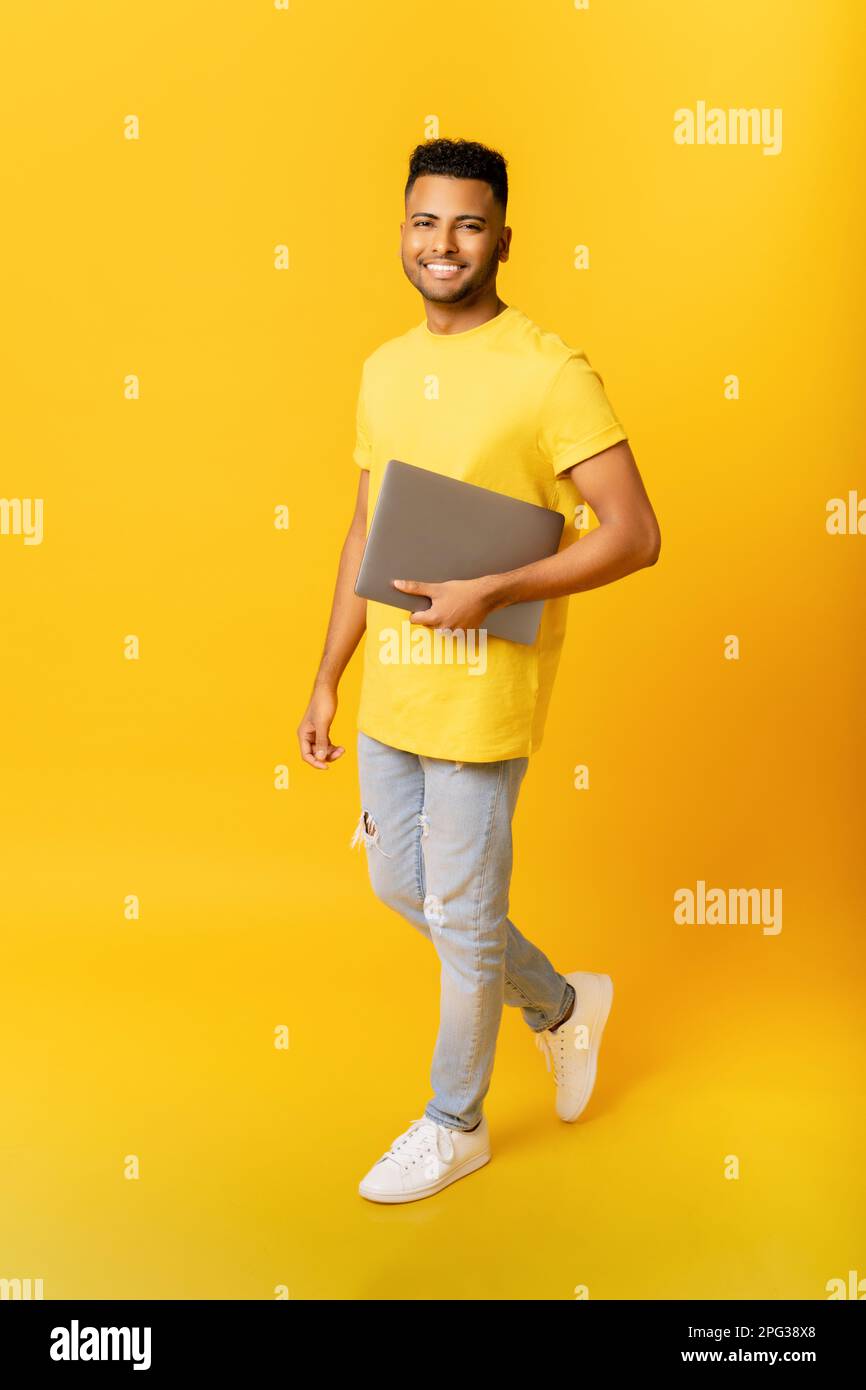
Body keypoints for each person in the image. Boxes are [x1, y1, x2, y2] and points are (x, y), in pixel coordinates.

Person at [297, 137, 661, 1204]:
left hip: (482, 691)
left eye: (466, 223)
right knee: (400, 885)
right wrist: (326, 672)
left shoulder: (549, 370)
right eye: (424, 221)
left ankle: (454, 1122)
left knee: (460, 914)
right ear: (401, 232)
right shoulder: (380, 368)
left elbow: (633, 534)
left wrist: (494, 590)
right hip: (390, 688)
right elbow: (363, 526)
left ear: (503, 235)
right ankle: (558, 1006)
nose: (442, 243)